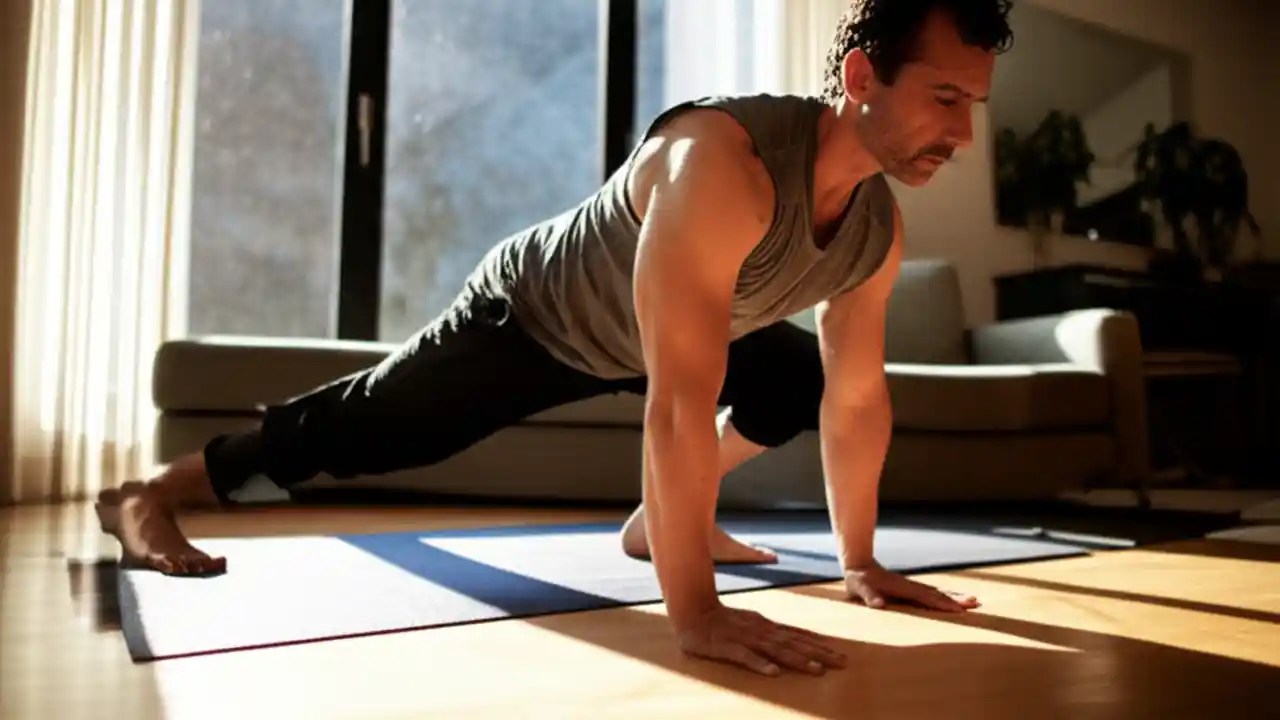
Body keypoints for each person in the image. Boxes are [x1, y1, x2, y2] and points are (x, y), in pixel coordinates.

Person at [98, 0, 1013, 677]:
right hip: (536, 318)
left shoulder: (874, 231)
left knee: (794, 382)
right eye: (942, 97)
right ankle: (156, 489)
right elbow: (680, 405)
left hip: (646, 337)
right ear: (860, 78)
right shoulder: (723, 166)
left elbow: (854, 398)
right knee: (374, 430)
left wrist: (858, 563)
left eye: (971, 103)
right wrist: (694, 614)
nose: (962, 133)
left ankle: (653, 524)